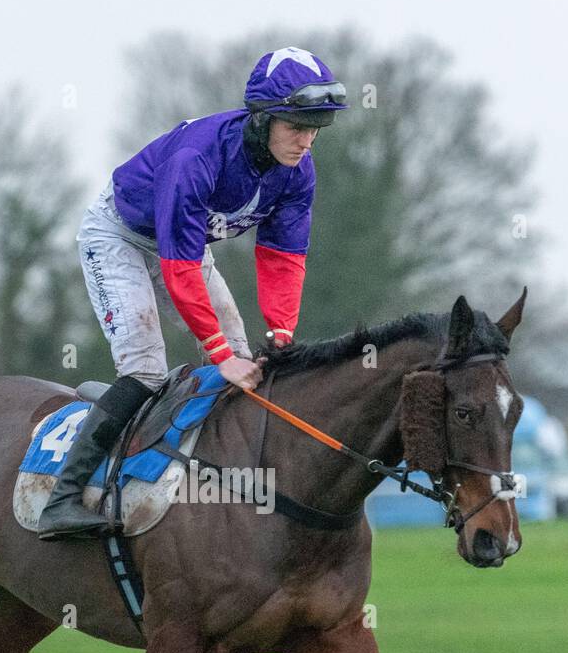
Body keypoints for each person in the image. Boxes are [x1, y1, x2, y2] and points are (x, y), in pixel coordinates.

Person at [37, 46, 347, 540]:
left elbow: (282, 258)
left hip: (184, 245)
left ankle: (221, 491)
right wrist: (218, 353)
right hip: (120, 236)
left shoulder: (298, 173)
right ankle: (63, 499)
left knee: (247, 367)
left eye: (315, 128)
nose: (306, 141)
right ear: (262, 119)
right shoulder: (196, 157)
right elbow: (179, 270)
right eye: (296, 127)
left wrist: (282, 328)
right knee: (145, 368)